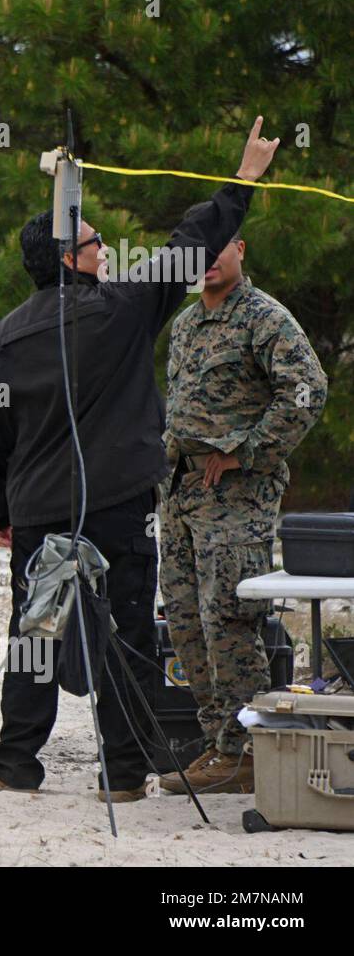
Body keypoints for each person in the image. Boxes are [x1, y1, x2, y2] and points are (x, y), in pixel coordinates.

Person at [0, 117, 280, 801]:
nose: (105, 247)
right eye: (92, 241)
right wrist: (244, 179)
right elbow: (189, 245)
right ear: (68, 258)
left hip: (40, 512)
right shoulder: (123, 309)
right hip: (116, 509)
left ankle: (17, 763)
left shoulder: (2, 342)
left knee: (36, 636)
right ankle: (125, 773)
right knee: (124, 637)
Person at [156, 221, 326, 795]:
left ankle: (250, 750)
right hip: (182, 497)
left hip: (237, 499)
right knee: (184, 624)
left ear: (239, 251)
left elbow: (307, 390)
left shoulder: (264, 317)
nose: (207, 260)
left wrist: (246, 451)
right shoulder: (186, 324)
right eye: (198, 252)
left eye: (218, 248)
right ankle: (218, 746)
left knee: (227, 621)